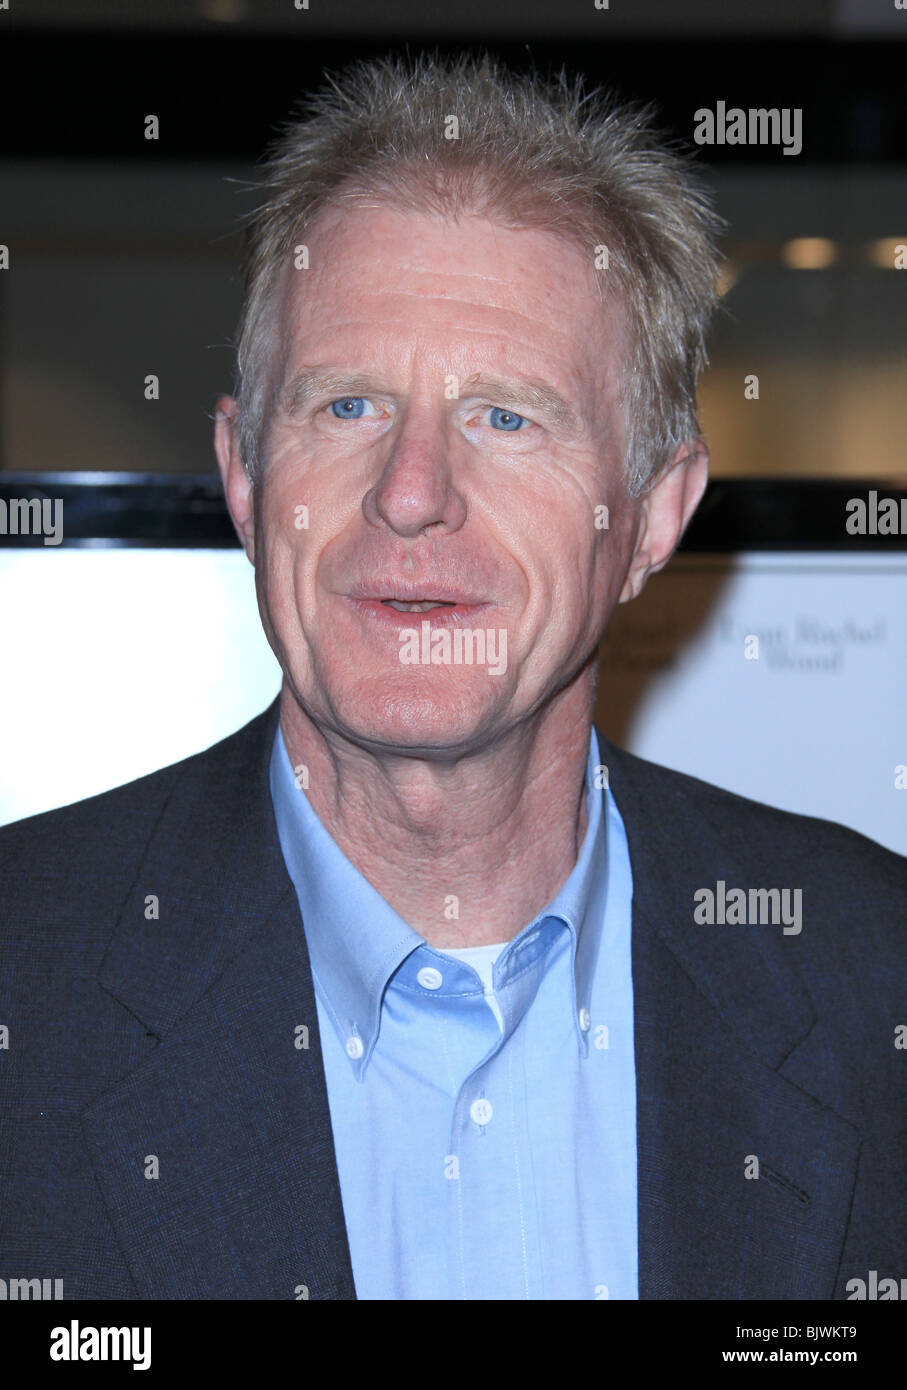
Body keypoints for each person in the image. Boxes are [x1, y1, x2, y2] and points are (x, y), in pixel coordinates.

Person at [1, 53, 903, 1302]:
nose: (411, 492)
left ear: (649, 515)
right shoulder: (22, 980)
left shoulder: (869, 978)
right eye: (349, 405)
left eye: (507, 417)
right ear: (245, 478)